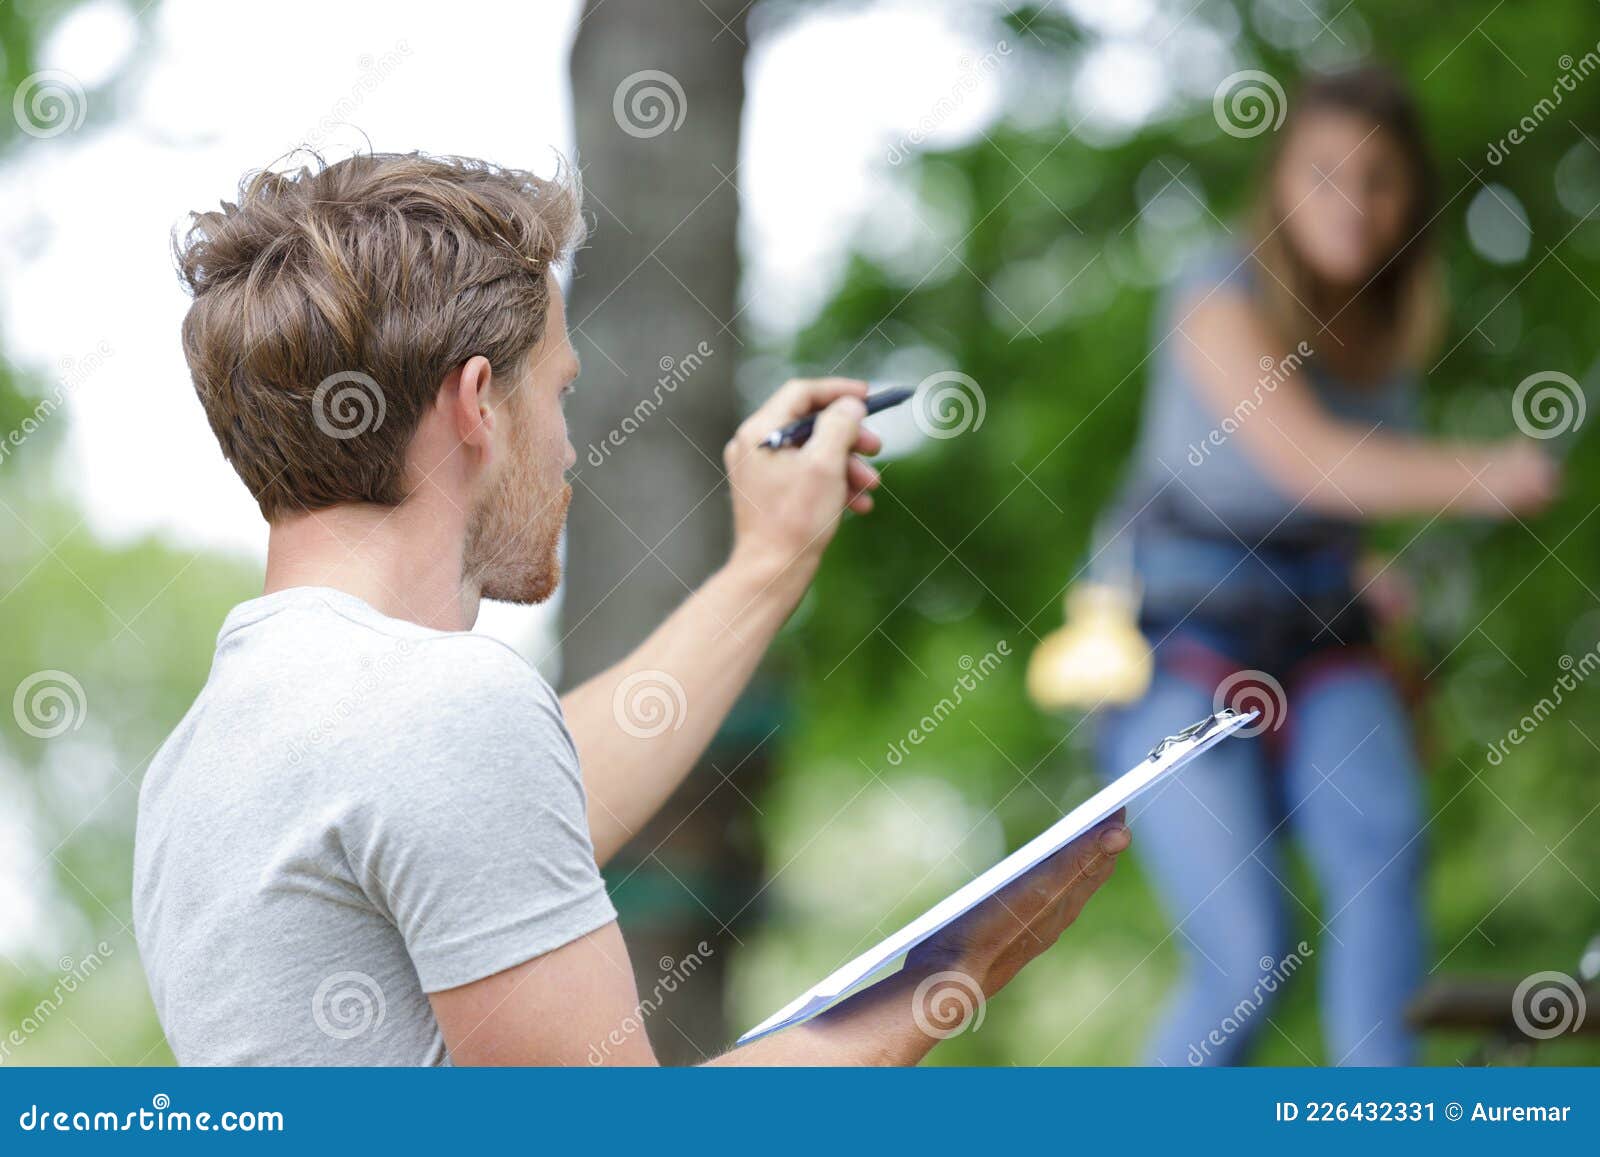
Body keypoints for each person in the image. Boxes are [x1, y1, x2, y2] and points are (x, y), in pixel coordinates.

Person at [131, 151, 1131, 1066]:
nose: (569, 451)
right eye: (559, 394)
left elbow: (535, 797)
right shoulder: (438, 708)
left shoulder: (203, 763)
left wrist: (770, 561)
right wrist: (957, 967)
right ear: (478, 402)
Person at [1097, 66, 1558, 1066]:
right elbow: (1307, 461)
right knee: (1244, 953)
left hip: (1326, 636)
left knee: (1382, 852)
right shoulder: (1213, 295)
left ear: (1412, 198)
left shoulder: (1384, 338)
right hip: (1179, 642)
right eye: (1323, 174)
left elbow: (1336, 502)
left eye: (1380, 179)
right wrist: (1487, 471)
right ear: (1277, 181)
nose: (1351, 203)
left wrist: (1373, 566)